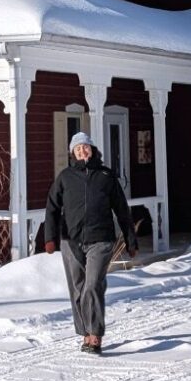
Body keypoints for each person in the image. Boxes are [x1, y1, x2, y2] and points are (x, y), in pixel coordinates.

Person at [43, 132, 136, 355]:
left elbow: (122, 209)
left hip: (101, 239)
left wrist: (130, 240)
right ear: (72, 153)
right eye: (78, 149)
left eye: (85, 147)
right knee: (77, 287)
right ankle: (84, 332)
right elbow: (52, 208)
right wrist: (49, 238)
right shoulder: (65, 177)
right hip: (71, 240)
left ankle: (95, 335)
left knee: (92, 285)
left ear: (93, 150)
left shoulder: (106, 175)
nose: (82, 151)